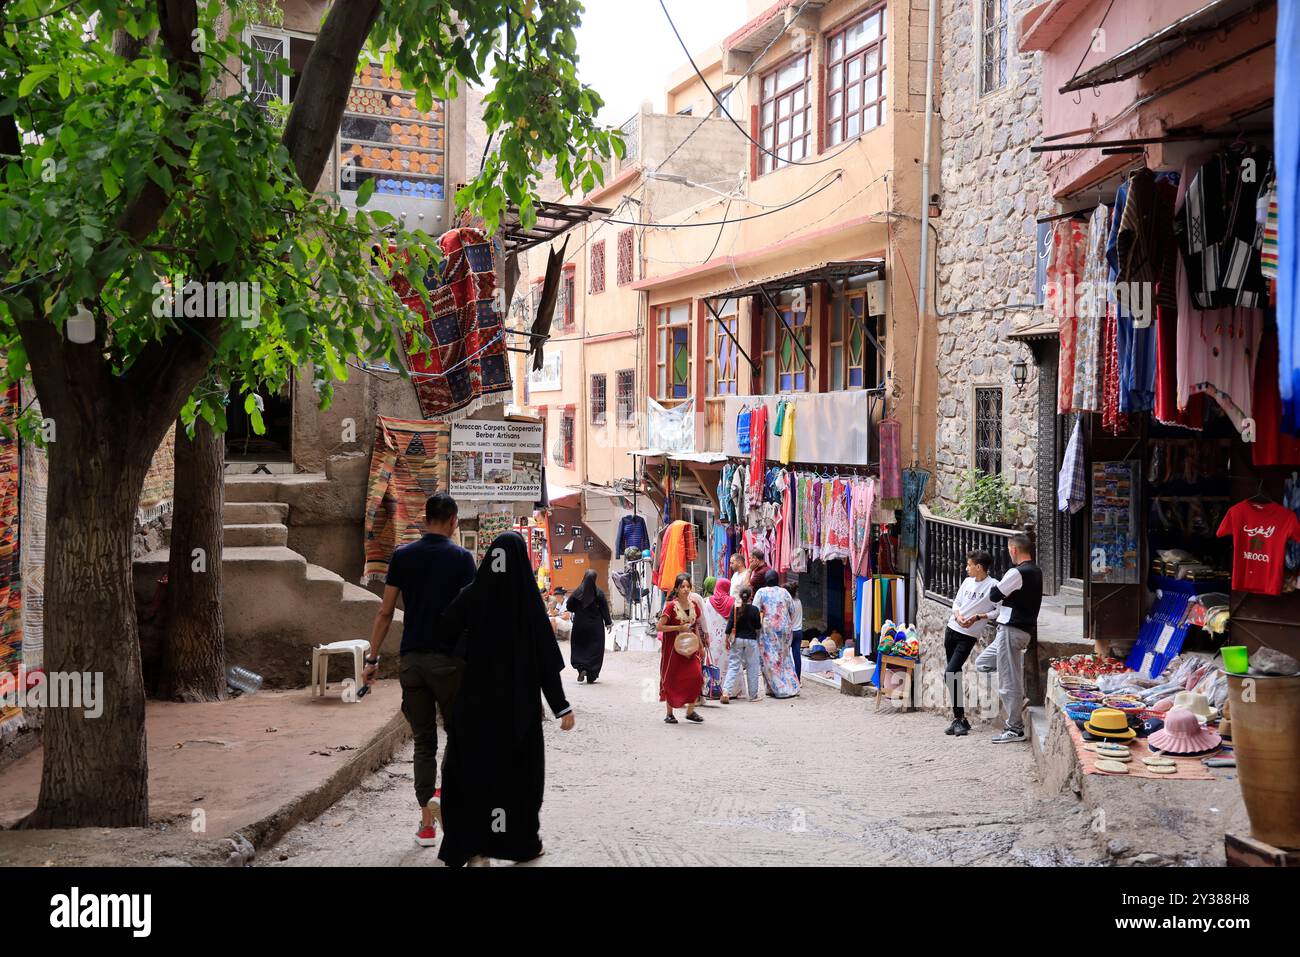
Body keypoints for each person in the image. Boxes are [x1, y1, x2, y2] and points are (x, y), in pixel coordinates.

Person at [436, 531, 575, 867]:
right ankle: (521, 844)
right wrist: (561, 707)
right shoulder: (528, 603)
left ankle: (474, 849)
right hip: (518, 712)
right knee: (519, 781)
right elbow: (546, 661)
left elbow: (444, 630)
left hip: (474, 708)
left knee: (471, 776)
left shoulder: (473, 595)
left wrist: (467, 648)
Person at [363, 492, 477, 848]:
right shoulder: (462, 559)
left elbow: (385, 612)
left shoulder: (402, 556)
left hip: (412, 662)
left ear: (425, 519)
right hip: (450, 664)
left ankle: (426, 826)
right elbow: (473, 614)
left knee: (424, 742)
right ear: (453, 522)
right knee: (457, 737)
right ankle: (443, 798)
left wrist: (372, 659)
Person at [975, 534, 1043, 744]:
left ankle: (1014, 727)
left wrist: (1003, 592)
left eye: (1008, 550)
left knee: (1008, 680)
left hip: (1011, 630)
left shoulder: (1017, 572)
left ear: (1014, 550)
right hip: (1016, 630)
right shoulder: (1036, 570)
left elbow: (994, 595)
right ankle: (1017, 696)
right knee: (983, 663)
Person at [943, 549, 998, 737]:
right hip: (951, 630)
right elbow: (956, 602)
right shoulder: (967, 582)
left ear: (979, 567)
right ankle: (960, 719)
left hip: (967, 636)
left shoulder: (993, 586)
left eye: (969, 565)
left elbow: (998, 612)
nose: (966, 568)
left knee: (950, 672)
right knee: (954, 674)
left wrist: (978, 617)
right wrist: (958, 615)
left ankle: (959, 719)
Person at [657, 572, 705, 723]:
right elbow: (659, 627)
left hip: (691, 649)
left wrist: (701, 645)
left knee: (697, 677)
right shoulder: (671, 607)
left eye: (687, 586)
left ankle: (690, 711)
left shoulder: (694, 606)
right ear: (677, 589)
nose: (685, 589)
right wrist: (678, 628)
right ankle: (669, 713)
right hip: (673, 650)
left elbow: (695, 626)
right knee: (672, 678)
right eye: (682, 586)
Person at [753, 570, 800, 698]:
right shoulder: (784, 592)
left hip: (768, 630)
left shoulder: (761, 592)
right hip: (785, 628)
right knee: (784, 657)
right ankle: (792, 686)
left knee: (770, 659)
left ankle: (779, 689)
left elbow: (755, 610)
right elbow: (792, 610)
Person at [567, 570, 611, 683]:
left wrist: (578, 609)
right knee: (595, 649)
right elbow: (604, 609)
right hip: (595, 626)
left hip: (579, 625)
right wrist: (608, 622)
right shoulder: (599, 593)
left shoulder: (577, 593)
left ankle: (582, 668)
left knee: (580, 647)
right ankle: (591, 674)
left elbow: (569, 606)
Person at [721, 585, 762, 703]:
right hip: (751, 641)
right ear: (750, 596)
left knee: (733, 666)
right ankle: (753, 695)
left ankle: (726, 692)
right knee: (752, 667)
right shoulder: (755, 609)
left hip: (737, 640)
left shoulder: (735, 608)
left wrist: (726, 640)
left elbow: (729, 626)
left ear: (740, 596)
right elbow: (758, 626)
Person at [699, 577, 734, 687]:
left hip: (713, 639)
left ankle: (714, 688)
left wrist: (704, 635)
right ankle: (730, 689)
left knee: (714, 662)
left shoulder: (707, 601)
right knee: (730, 663)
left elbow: (703, 620)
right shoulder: (732, 601)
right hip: (728, 638)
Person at [788, 582, 804, 680]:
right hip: (799, 631)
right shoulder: (799, 601)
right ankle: (798, 679)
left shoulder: (788, 603)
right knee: (797, 655)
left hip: (790, 632)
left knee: (786, 655)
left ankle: (789, 677)